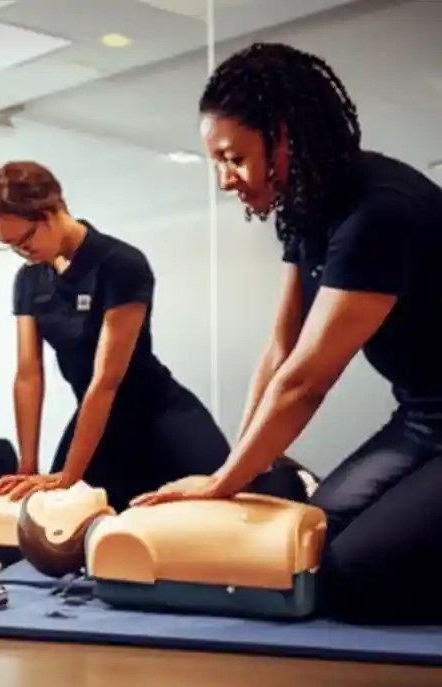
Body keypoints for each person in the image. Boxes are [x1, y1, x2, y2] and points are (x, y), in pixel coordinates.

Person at [132, 43, 442, 624]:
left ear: (283, 136)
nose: (225, 179)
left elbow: (306, 381)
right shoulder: (305, 207)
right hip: (423, 419)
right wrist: (241, 469)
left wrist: (225, 480)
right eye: (216, 162)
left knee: (356, 576)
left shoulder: (379, 211)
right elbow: (282, 348)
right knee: (312, 544)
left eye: (233, 157)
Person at [0, 161, 252, 511]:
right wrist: (28, 468)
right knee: (55, 520)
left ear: (54, 209)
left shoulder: (120, 264)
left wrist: (69, 478)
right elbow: (28, 375)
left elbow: (106, 381)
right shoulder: (29, 280)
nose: (22, 252)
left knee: (229, 502)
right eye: (9, 245)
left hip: (155, 410)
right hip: (94, 418)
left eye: (26, 239)